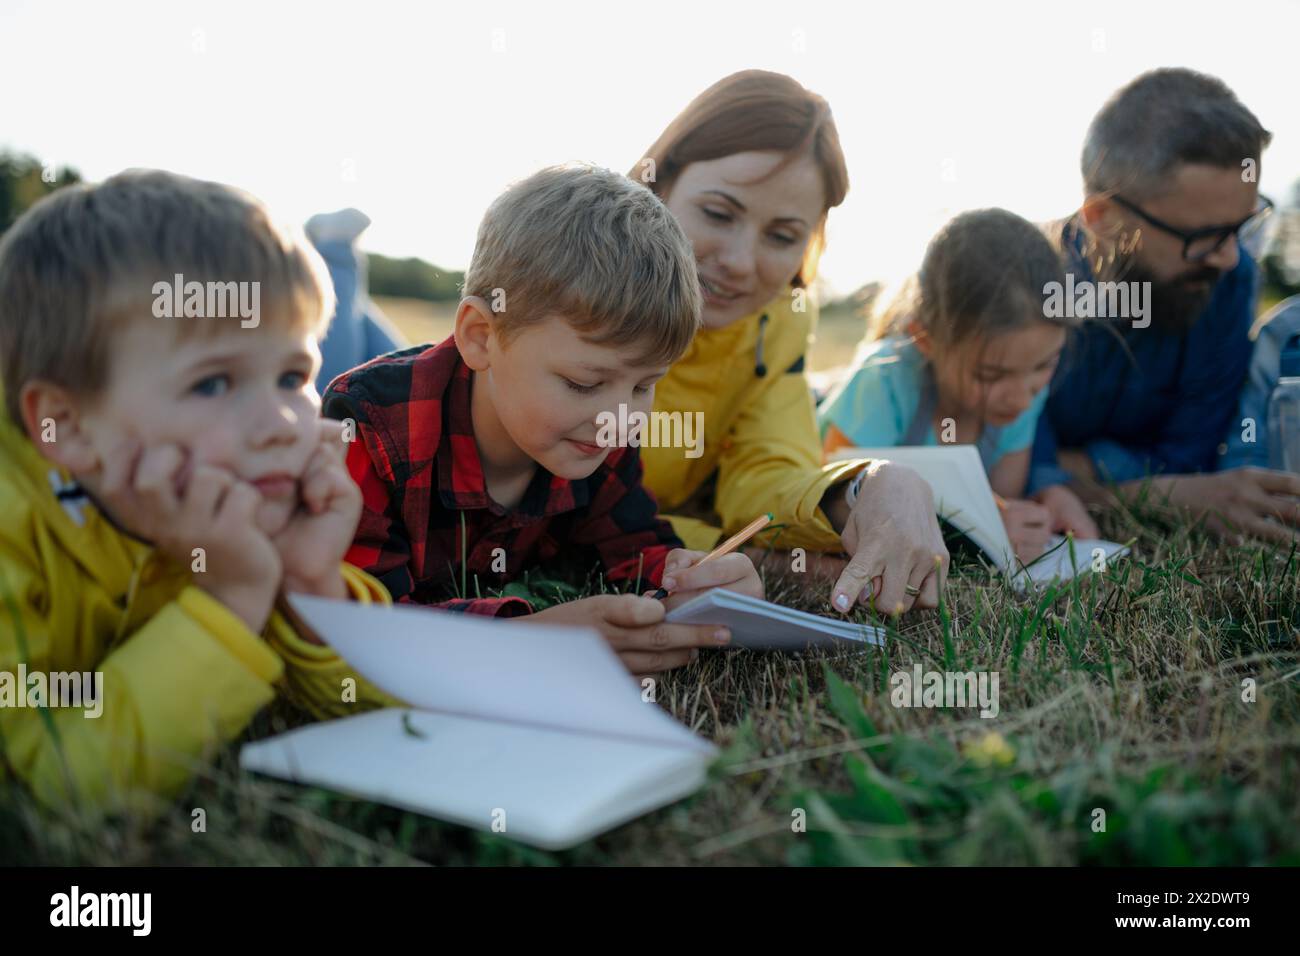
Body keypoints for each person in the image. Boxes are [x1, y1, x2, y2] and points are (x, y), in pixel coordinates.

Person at [0, 170, 397, 814]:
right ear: (67, 426)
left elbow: (382, 717)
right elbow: (56, 791)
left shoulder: (229, 498)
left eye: (292, 376)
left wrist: (309, 584)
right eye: (212, 384)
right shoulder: (13, 533)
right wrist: (231, 598)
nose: (282, 425)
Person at [323, 165, 763, 676]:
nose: (621, 421)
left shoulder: (599, 433)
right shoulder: (370, 428)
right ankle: (334, 255)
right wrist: (527, 640)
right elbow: (355, 626)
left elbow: (634, 547)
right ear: (482, 336)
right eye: (583, 383)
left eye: (644, 385)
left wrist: (693, 582)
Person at [634, 70, 949, 617]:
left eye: (781, 236)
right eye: (718, 213)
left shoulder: (778, 320)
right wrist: (739, 552)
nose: (740, 262)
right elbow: (573, 511)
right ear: (658, 184)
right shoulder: (573, 295)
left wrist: (865, 487)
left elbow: (765, 471)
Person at [1027, 68, 1300, 543]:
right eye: (1204, 236)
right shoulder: (1026, 288)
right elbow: (1015, 475)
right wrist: (1157, 492)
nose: (1230, 257)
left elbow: (1189, 457)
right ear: (1102, 218)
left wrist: (1080, 470)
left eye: (1242, 226)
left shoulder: (1228, 280)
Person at [819, 208, 1094, 561]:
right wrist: (975, 534)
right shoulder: (884, 380)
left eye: (1044, 365)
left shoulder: (1024, 396)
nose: (1021, 397)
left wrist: (1034, 508)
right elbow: (832, 505)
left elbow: (1001, 498)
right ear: (925, 339)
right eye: (991, 375)